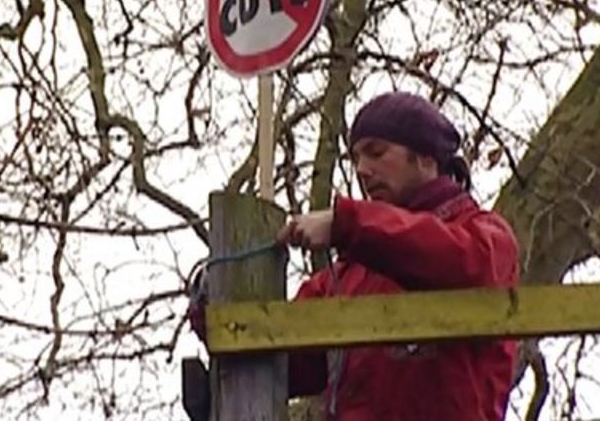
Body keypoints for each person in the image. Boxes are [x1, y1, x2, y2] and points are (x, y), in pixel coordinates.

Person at [189, 91, 518, 421]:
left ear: (426, 159)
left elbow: (461, 262)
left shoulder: (485, 234)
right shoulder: (348, 275)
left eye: (376, 153)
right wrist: (220, 313)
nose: (362, 169)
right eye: (356, 158)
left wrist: (347, 225)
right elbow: (290, 361)